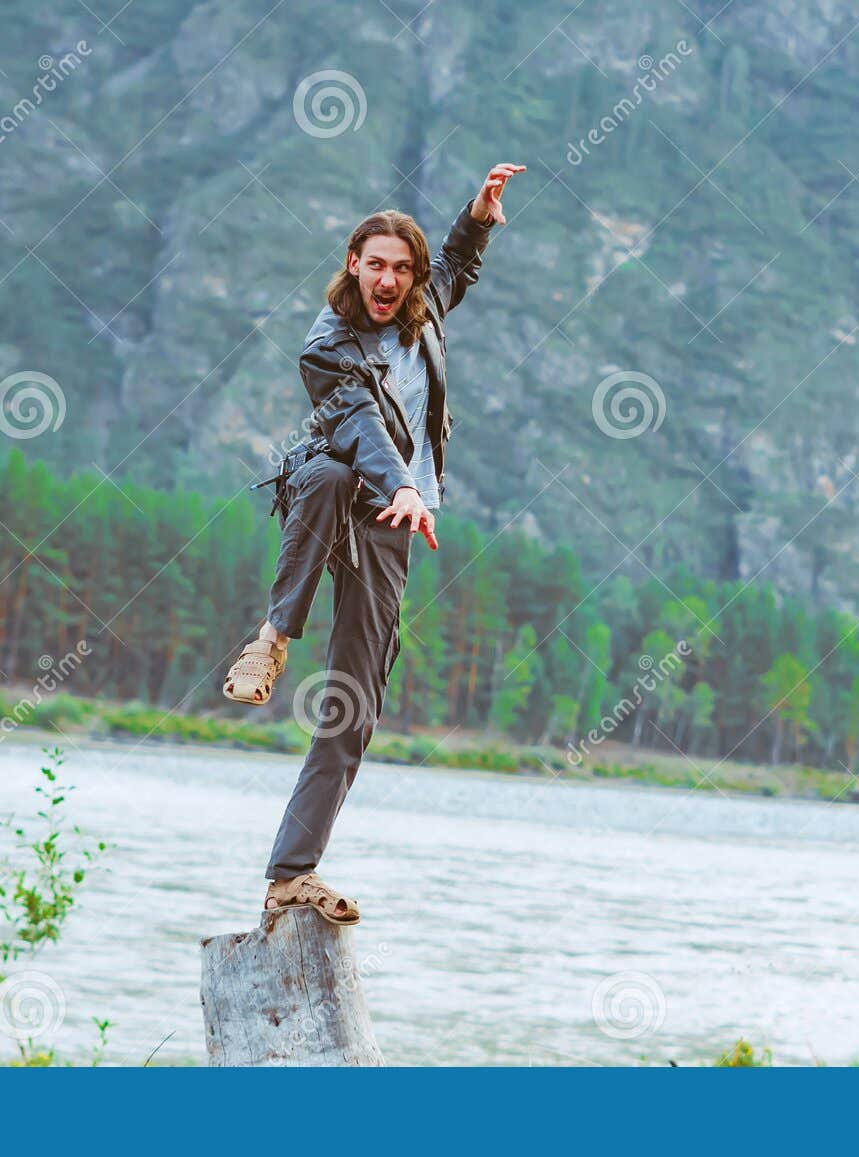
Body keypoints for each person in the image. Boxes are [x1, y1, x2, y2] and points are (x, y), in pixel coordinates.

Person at [223, 163, 526, 924]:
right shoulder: (326, 345)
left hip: (395, 522)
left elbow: (458, 268)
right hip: (340, 494)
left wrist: (480, 215)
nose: (387, 280)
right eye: (374, 265)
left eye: (401, 268)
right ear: (352, 266)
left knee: (355, 702)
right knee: (327, 471)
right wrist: (401, 484)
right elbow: (357, 423)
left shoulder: (424, 313)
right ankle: (272, 633)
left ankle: (292, 871)